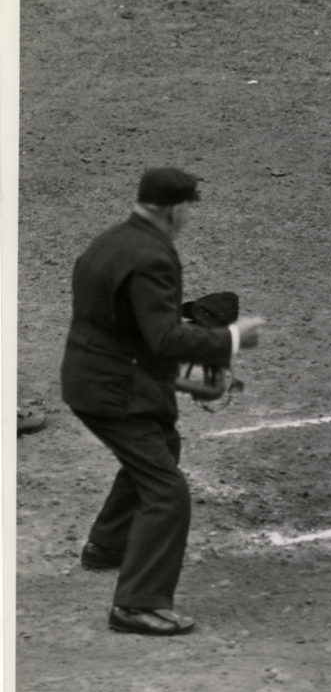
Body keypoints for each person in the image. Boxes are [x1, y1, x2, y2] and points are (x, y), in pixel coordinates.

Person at [61, 167, 265, 636]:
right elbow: (163, 338)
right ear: (176, 209)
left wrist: (180, 382)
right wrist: (229, 339)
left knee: (162, 447)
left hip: (90, 377)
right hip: (114, 392)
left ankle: (108, 544)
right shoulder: (154, 257)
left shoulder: (110, 241)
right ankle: (136, 604)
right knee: (167, 492)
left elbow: (128, 330)